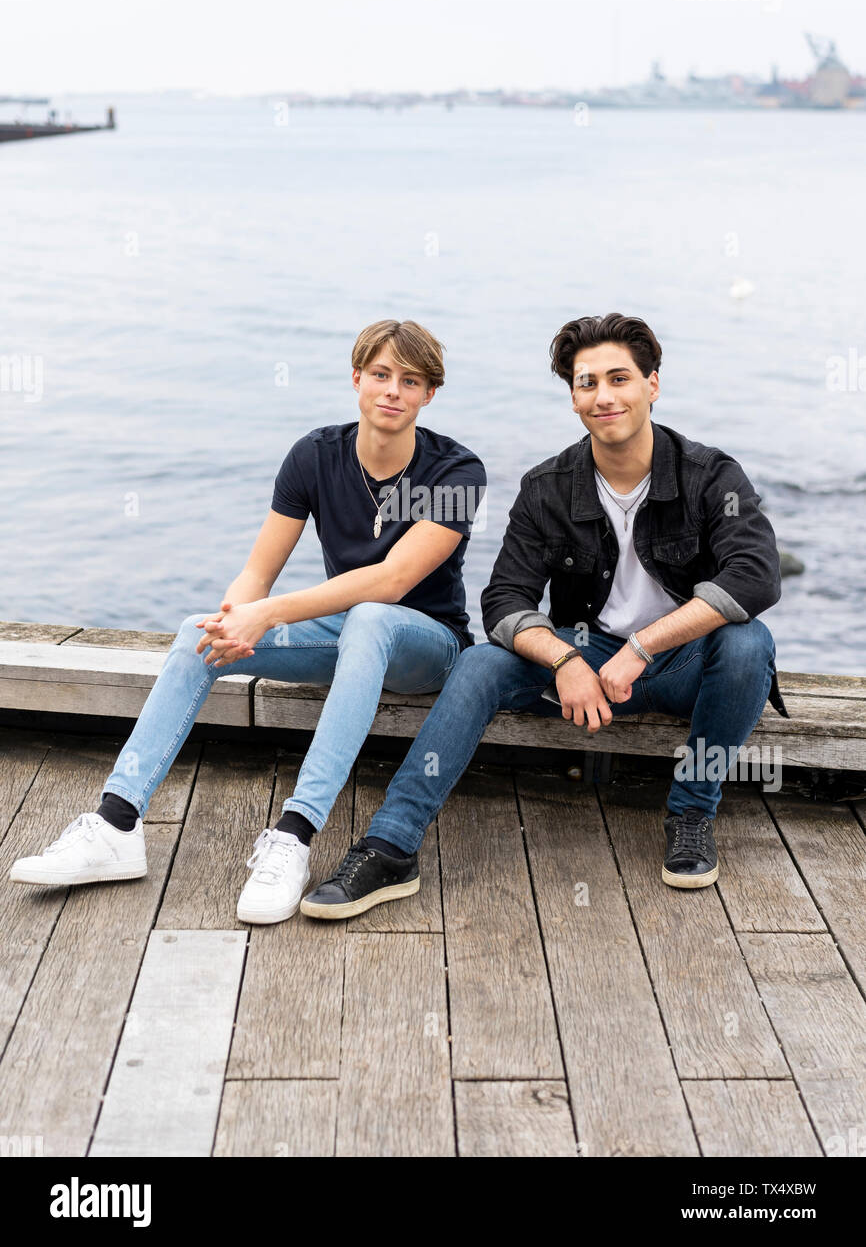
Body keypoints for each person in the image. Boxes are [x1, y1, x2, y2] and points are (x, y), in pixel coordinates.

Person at [301, 311, 788, 917]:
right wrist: (564, 658)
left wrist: (643, 648)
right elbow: (504, 599)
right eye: (588, 383)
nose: (604, 396)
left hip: (683, 666)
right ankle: (391, 847)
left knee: (748, 643)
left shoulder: (711, 475)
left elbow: (755, 574)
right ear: (574, 398)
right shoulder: (547, 488)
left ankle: (691, 814)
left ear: (651, 385)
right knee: (479, 663)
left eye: (619, 379)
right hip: (588, 662)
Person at [10, 320, 487, 925]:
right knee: (194, 633)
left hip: (428, 649)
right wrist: (235, 619)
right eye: (381, 374)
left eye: (410, 380)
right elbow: (257, 574)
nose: (393, 390)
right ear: (357, 379)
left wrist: (269, 613)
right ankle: (115, 824)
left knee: (370, 616)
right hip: (346, 638)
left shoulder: (454, 471)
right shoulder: (316, 456)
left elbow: (391, 582)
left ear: (428, 395)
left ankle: (294, 836)